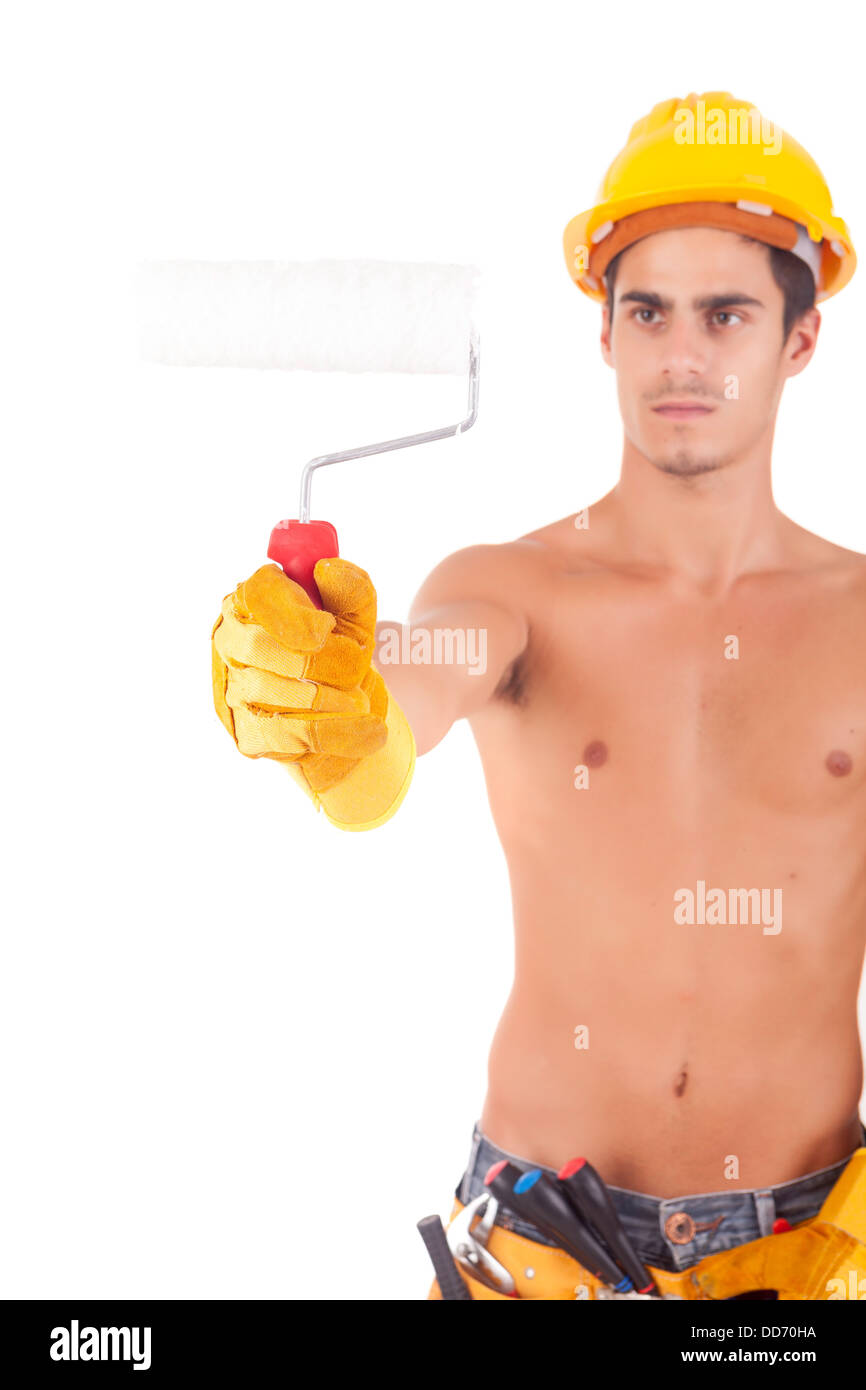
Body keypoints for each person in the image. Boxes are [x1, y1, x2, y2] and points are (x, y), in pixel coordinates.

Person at [212, 93, 866, 1300]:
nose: (680, 355)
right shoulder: (505, 591)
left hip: (807, 1255)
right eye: (646, 310)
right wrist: (328, 699)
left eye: (724, 314)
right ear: (603, 336)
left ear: (799, 338)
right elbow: (387, 732)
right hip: (537, 1247)